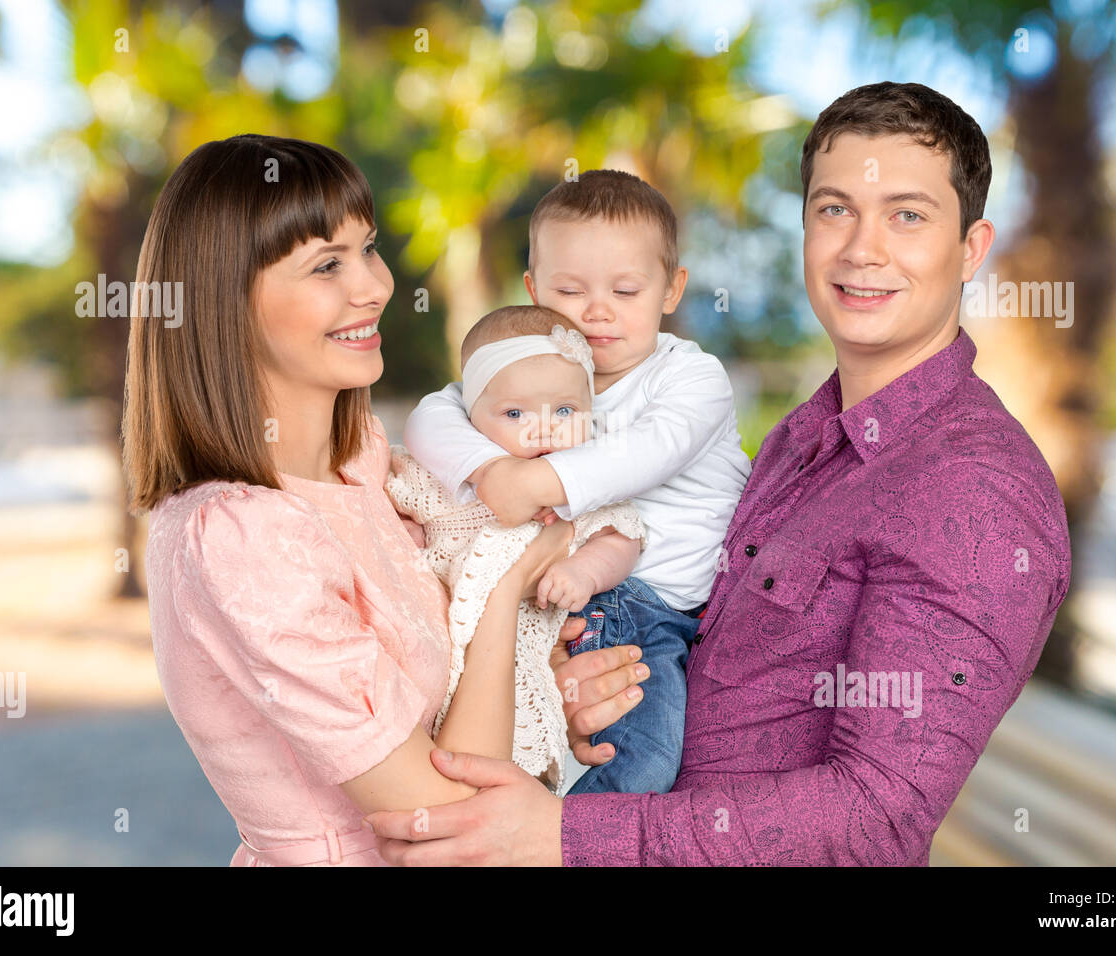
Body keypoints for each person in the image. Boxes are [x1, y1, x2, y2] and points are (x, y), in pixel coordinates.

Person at [361, 81, 1073, 866]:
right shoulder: (803, 441)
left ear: (972, 249)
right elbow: (707, 654)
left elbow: (877, 812)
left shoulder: (974, 488)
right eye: (835, 209)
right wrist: (587, 685)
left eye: (907, 215)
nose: (862, 248)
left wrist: (562, 836)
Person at [124, 133, 575, 866]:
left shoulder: (367, 466)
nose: (373, 285)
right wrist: (505, 585)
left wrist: (565, 693)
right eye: (326, 265)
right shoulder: (237, 536)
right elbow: (447, 829)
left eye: (366, 248)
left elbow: (461, 690)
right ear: (224, 302)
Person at [402, 169, 751, 795]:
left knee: (614, 751)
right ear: (534, 290)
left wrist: (538, 482)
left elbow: (648, 452)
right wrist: (489, 471)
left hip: (677, 604)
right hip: (636, 607)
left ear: (671, 290)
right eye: (569, 290)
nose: (597, 311)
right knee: (639, 760)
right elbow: (435, 411)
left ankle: (537, 830)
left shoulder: (691, 379)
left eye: (625, 289)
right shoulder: (537, 368)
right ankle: (550, 840)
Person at [385, 305, 647, 793]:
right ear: (470, 420)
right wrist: (406, 536)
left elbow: (624, 534)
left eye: (565, 411)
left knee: (514, 777)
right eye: (514, 413)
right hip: (431, 666)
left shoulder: (577, 493)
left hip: (521, 667)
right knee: (437, 782)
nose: (543, 428)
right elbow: (393, 497)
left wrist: (586, 572)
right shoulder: (452, 482)